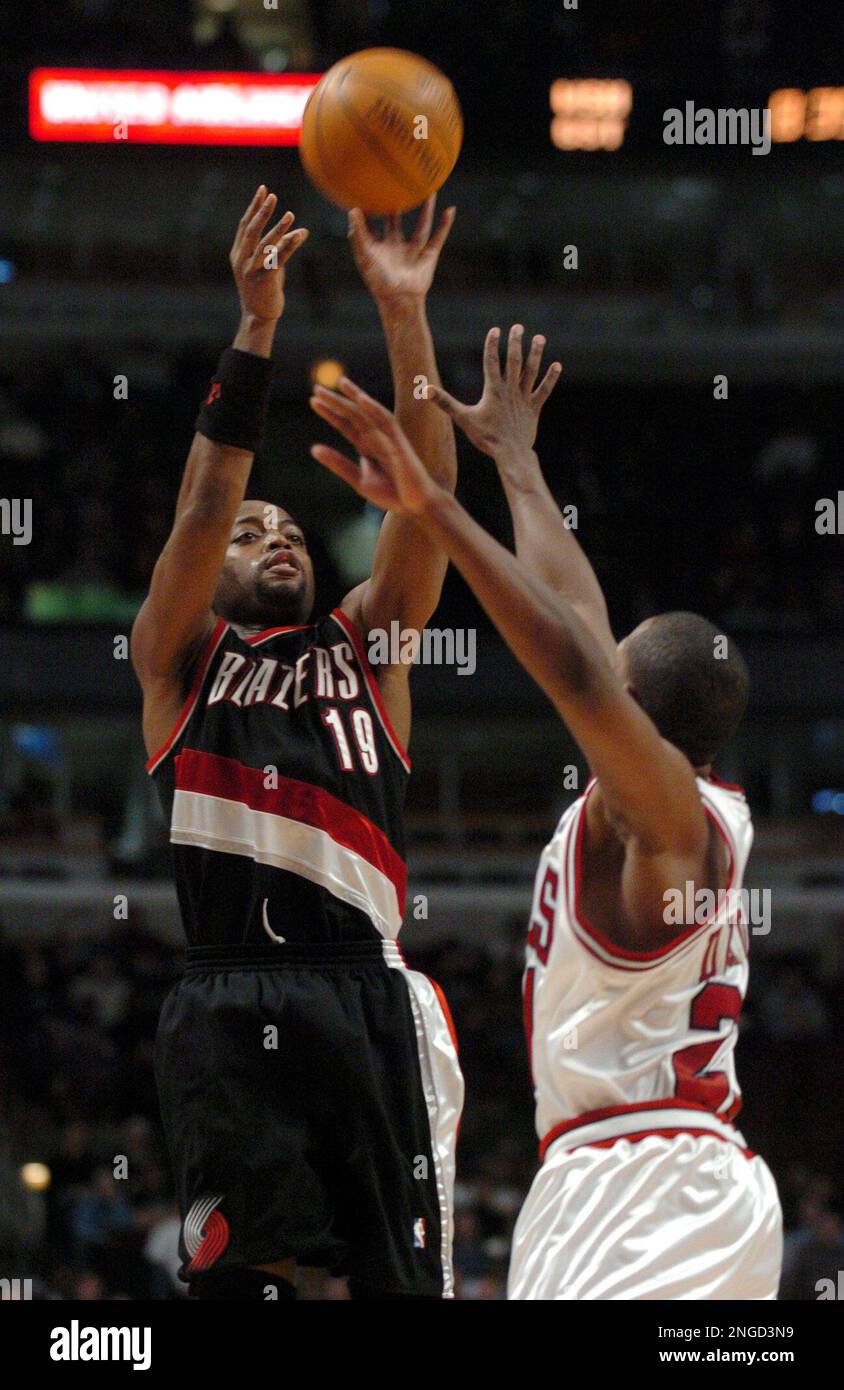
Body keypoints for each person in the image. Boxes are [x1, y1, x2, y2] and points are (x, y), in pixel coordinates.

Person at [307, 323, 783, 1301]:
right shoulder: (678, 801)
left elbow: (570, 664)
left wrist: (437, 508)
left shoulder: (666, 825)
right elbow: (576, 624)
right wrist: (515, 458)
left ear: (631, 708)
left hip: (637, 1189)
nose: (598, 651)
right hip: (682, 1181)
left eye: (618, 669)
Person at [131, 186, 464, 1300]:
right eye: (251, 531)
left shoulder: (369, 645)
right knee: (246, 1289)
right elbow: (200, 504)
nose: (274, 534)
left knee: (395, 1289)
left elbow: (425, 509)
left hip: (365, 997)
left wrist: (403, 313)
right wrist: (258, 325)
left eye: (290, 529)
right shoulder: (177, 658)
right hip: (228, 1000)